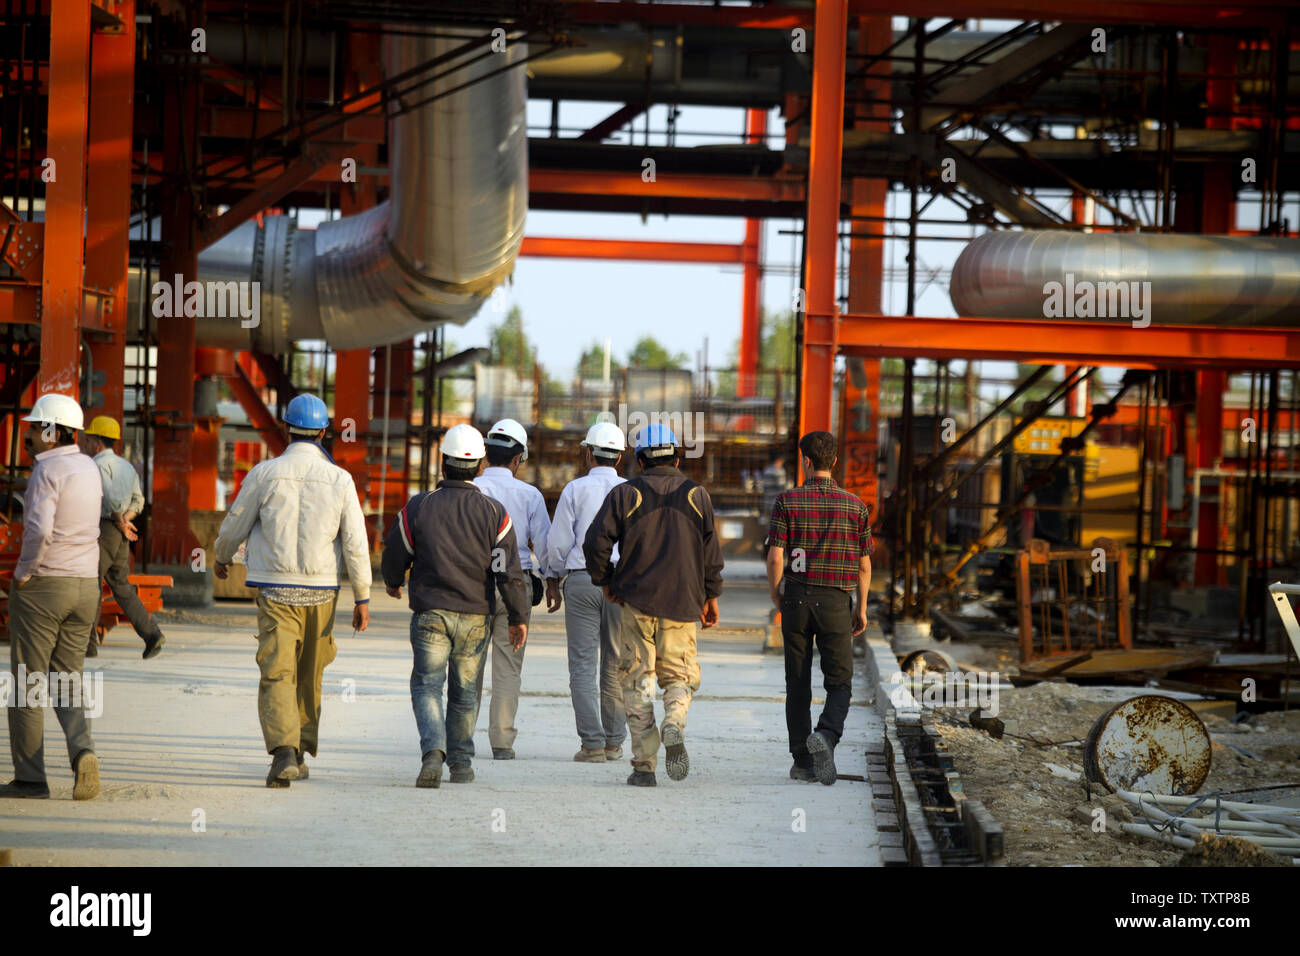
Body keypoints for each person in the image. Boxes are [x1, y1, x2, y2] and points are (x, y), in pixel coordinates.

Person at [212, 394, 371, 788]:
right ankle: (297, 750)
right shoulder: (340, 479)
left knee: (277, 671)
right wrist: (363, 595)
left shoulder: (265, 473)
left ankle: (283, 751)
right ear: (322, 432)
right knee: (309, 673)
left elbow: (236, 522)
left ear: (286, 429)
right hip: (322, 591)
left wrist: (221, 556)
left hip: (276, 590)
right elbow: (355, 541)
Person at [382, 424, 529, 788]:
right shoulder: (495, 513)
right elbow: (507, 571)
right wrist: (517, 615)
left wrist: (393, 580)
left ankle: (433, 751)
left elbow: (395, 550)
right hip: (475, 616)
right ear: (480, 465)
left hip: (431, 612)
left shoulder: (419, 507)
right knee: (464, 693)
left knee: (427, 686)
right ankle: (461, 764)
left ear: (442, 463)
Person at [583, 424, 724, 787]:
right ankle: (674, 722)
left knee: (638, 680)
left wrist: (607, 581)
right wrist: (710, 596)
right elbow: (711, 555)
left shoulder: (625, 493)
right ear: (677, 457)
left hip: (637, 602)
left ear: (640, 460)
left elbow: (595, 543)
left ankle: (644, 765)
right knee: (678, 675)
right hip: (683, 604)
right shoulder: (698, 495)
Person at [2, 394, 104, 801]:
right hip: (85, 587)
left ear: (51, 431)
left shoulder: (48, 471)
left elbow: (40, 530)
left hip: (45, 586)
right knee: (68, 681)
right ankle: (83, 752)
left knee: (28, 683)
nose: (27, 435)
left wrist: (23, 572)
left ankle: (30, 779)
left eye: (32, 427)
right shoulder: (89, 467)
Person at [765, 430, 872, 786]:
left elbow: (776, 555)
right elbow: (864, 564)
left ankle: (802, 762)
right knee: (840, 682)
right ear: (835, 462)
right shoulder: (856, 506)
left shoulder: (786, 501)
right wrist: (862, 608)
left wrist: (776, 592)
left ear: (805, 462)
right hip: (837, 602)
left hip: (796, 597)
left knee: (797, 682)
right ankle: (825, 736)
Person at [544, 421, 628, 763]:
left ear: (589, 454)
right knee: (616, 662)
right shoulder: (631, 490)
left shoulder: (575, 489)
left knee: (582, 664)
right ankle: (614, 742)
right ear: (620, 458)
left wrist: (553, 578)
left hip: (581, 580)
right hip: (622, 584)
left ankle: (591, 744)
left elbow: (559, 542)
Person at [472, 418, 550, 760]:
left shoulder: (471, 489)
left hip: (473, 585)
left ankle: (460, 738)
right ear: (518, 458)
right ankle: (501, 742)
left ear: (486, 455)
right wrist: (551, 581)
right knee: (508, 665)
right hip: (516, 585)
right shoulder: (529, 495)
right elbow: (545, 545)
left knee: (467, 664)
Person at [79, 416, 166, 660]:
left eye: (88, 439)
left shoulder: (95, 466)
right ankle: (151, 634)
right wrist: (126, 520)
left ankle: (87, 645)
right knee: (121, 586)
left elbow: (110, 498)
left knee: (90, 584)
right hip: (119, 533)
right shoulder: (127, 467)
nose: (85, 443)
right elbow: (138, 501)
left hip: (104, 529)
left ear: (97, 442)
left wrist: (118, 519)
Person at [760, 453, 791, 523]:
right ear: (778, 460)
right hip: (776, 504)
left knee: (769, 526)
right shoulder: (779, 471)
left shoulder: (767, 470)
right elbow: (782, 488)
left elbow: (763, 486)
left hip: (767, 503)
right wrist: (789, 485)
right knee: (777, 527)